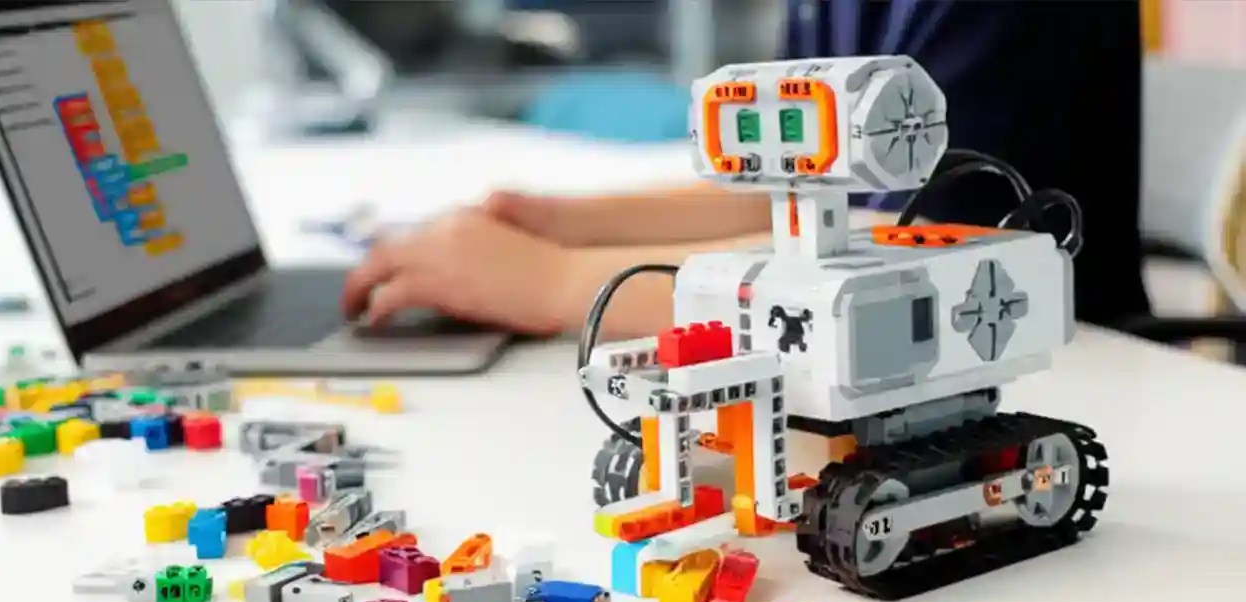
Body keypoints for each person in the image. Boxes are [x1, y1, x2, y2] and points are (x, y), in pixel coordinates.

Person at [341, 0, 1151, 340]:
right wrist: (561, 224)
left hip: (1040, 354)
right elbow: (800, 189)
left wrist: (554, 282)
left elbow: (894, 252)